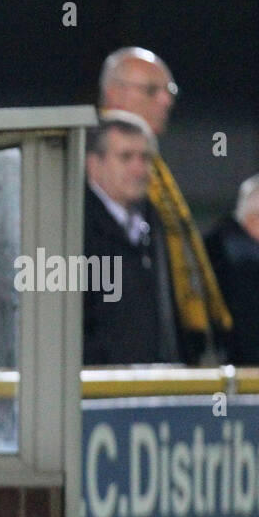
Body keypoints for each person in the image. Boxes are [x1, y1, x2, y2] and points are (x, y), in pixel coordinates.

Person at [98, 47, 231, 363]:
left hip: (163, 353)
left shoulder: (158, 175)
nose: (166, 101)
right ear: (114, 93)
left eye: (169, 91)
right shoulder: (83, 165)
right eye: (151, 91)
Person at [83, 112, 182, 364]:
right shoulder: (73, 225)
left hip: (151, 385)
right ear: (94, 164)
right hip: (97, 390)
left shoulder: (158, 222)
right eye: (126, 157)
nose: (139, 169)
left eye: (145, 158)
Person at [205, 173, 259, 365]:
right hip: (244, 383)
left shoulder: (217, 246)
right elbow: (257, 343)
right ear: (258, 220)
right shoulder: (247, 263)